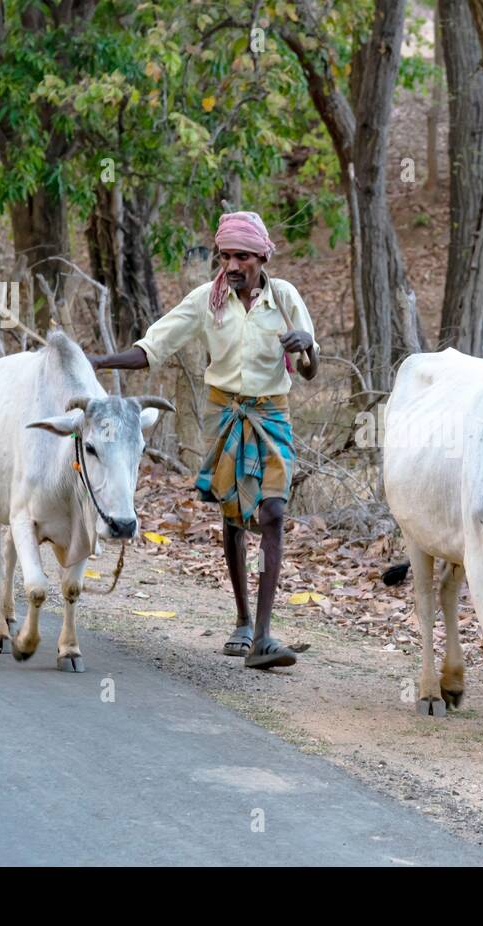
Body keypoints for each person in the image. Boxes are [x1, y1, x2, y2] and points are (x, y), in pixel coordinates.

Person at [89, 211, 318, 669]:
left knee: (273, 513)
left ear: (261, 258)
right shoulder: (205, 301)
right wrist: (96, 360)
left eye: (243, 257)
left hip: (273, 414)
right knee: (233, 517)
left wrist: (306, 346)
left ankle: (264, 638)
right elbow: (151, 349)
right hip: (224, 411)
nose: (233, 265)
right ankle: (242, 619)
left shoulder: (285, 297)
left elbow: (312, 370)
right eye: (227, 255)